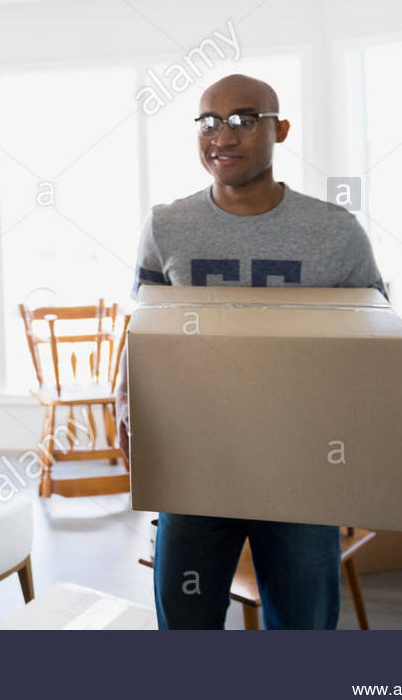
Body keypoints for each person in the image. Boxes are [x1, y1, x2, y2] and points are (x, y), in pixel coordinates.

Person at [115, 73, 385, 630]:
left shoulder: (334, 232)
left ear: (280, 129)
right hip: (194, 462)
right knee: (186, 626)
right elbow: (143, 326)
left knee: (303, 627)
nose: (224, 135)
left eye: (243, 119)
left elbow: (373, 345)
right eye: (209, 122)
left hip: (302, 467)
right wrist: (125, 401)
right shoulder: (169, 226)